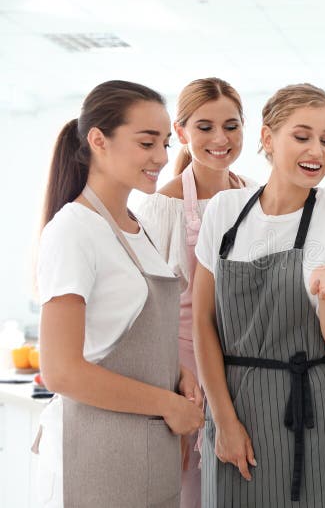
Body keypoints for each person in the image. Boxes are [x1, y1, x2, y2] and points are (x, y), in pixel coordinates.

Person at [193, 83, 325, 507]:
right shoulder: (225, 210)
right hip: (231, 403)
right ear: (267, 138)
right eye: (302, 136)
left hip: (310, 413)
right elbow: (203, 322)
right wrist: (223, 420)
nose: (317, 150)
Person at [35, 80, 205, 508]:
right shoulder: (73, 231)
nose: (162, 158)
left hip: (148, 456)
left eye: (165, 143)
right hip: (92, 459)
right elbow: (61, 372)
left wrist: (177, 373)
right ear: (98, 140)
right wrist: (166, 404)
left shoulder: (136, 227)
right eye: (147, 142)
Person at [138, 77, 256, 508]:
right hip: (185, 374)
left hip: (246, 368)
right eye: (205, 127)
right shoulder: (164, 205)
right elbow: (148, 310)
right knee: (192, 491)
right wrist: (171, 389)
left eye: (231, 125)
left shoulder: (255, 197)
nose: (220, 139)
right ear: (182, 131)